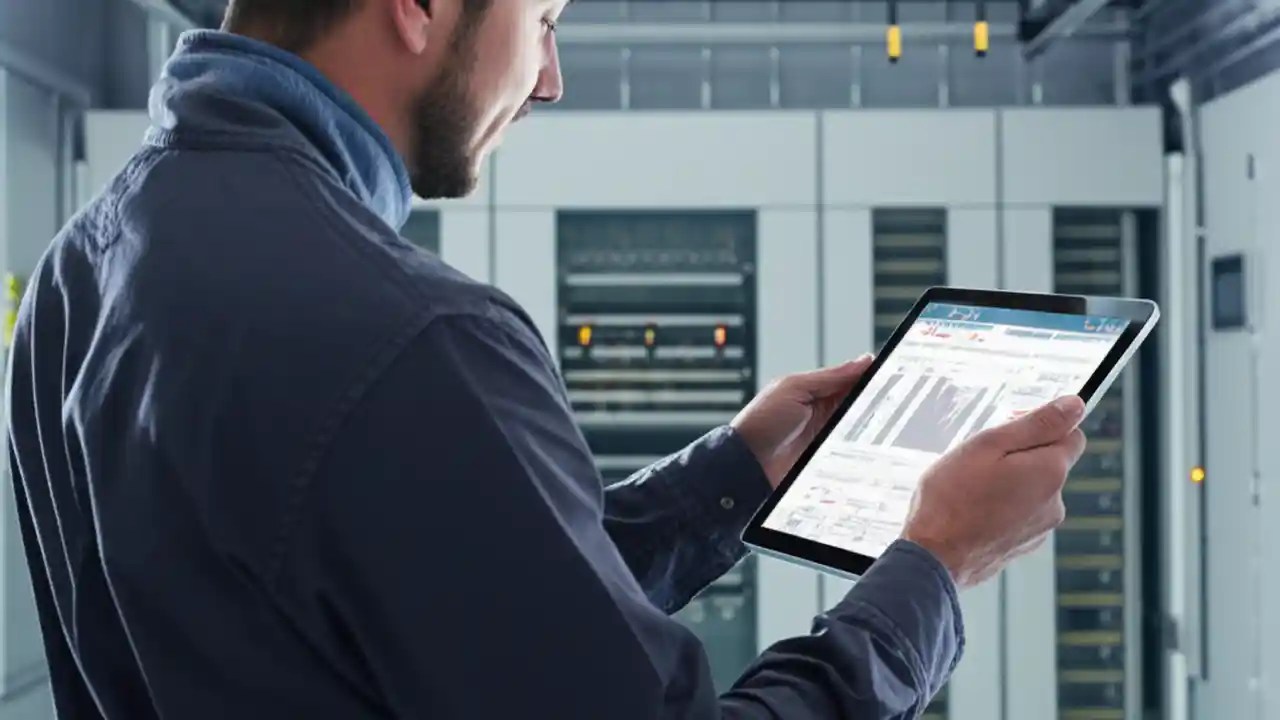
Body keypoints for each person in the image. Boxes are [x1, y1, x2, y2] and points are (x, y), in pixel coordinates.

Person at [4, 1, 1087, 718]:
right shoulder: (412, 335)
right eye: (542, 18)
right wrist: (934, 569)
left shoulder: (76, 275)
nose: (550, 77)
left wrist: (733, 473)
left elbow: (432, 594)